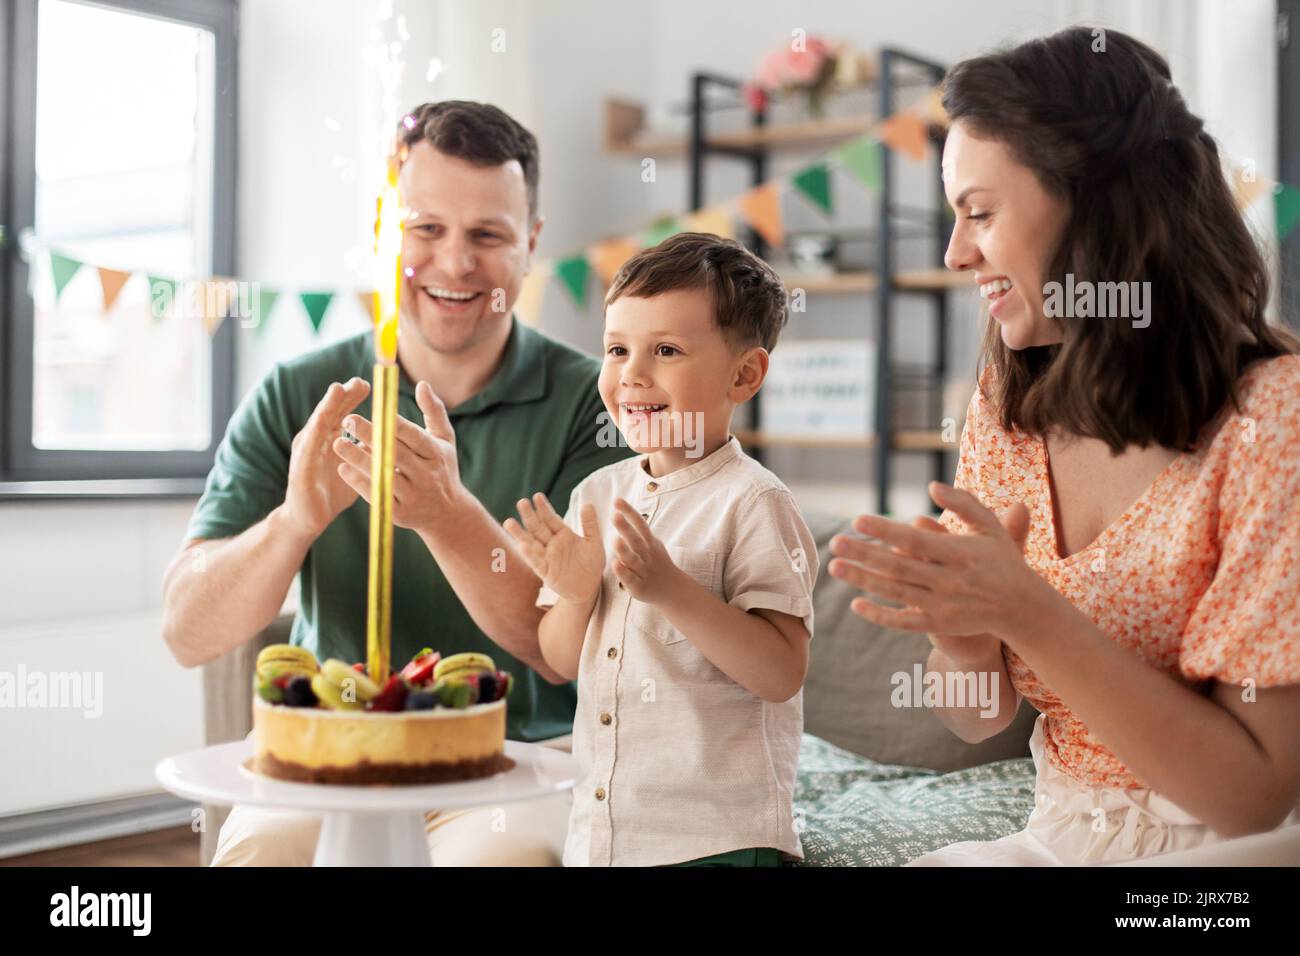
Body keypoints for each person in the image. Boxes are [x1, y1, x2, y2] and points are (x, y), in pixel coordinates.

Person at [828, 26, 1300, 865]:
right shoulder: (1011, 403)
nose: (955, 252)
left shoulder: (1273, 417)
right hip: (1064, 831)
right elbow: (979, 714)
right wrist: (964, 634)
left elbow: (1254, 797)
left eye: (979, 213)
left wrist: (1027, 612)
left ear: (1099, 209)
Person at [161, 101, 633, 866]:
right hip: (328, 758)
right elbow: (188, 631)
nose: (454, 264)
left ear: (531, 246)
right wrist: (292, 522)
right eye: (425, 229)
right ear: (385, 229)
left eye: (488, 235)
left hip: (522, 763)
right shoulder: (298, 393)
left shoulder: (598, 404)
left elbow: (571, 655)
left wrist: (449, 518)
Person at [505, 233, 818, 866]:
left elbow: (781, 672)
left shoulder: (754, 502)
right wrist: (573, 592)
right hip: (606, 837)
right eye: (617, 349)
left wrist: (672, 590)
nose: (632, 375)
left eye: (666, 350)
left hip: (718, 839)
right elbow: (560, 660)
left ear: (744, 374)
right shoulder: (596, 493)